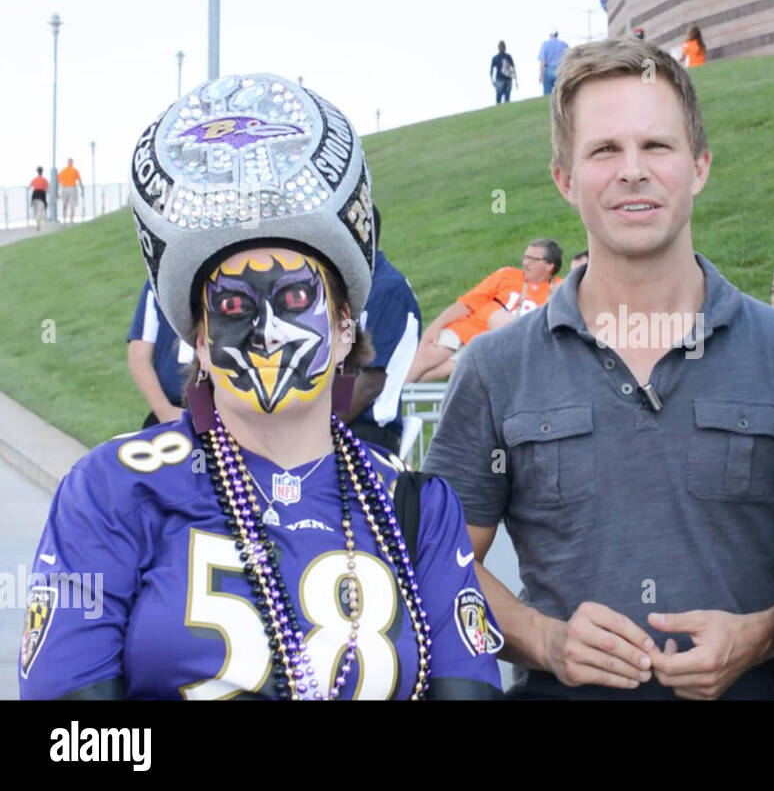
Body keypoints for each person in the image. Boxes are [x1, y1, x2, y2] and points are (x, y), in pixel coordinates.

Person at [20, 73, 501, 701]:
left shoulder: (417, 507)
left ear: (343, 324)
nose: (267, 330)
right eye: (235, 304)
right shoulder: (113, 490)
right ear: (198, 334)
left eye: (297, 297)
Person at [422, 38, 774, 700]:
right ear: (564, 179)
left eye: (656, 146)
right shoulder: (494, 367)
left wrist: (762, 633)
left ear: (700, 165)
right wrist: (545, 640)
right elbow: (444, 563)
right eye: (605, 150)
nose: (633, 171)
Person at [407, 239, 562, 382]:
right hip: (467, 328)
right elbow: (466, 303)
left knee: (442, 370)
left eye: (533, 259)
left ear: (550, 266)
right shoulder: (508, 275)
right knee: (426, 359)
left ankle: (391, 397)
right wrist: (436, 326)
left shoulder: (558, 289)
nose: (526, 263)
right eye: (525, 257)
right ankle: (389, 396)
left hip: (492, 347)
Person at [345, 205, 422, 457]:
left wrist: (311, 433)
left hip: (367, 437)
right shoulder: (354, 289)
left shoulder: (389, 290)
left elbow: (370, 383)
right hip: (344, 431)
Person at [126, 277, 194, 428]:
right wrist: (164, 411)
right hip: (173, 405)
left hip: (222, 406)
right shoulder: (159, 283)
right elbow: (138, 357)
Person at [538, 30, 568, 96]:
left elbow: (543, 60)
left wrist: (541, 75)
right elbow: (568, 59)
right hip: (560, 69)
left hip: (548, 69)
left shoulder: (545, 44)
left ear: (550, 35)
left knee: (547, 94)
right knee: (560, 93)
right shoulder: (564, 44)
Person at [58, 158, 84, 224]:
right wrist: (82, 189)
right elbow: (80, 180)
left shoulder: (63, 171)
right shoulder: (75, 170)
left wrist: (57, 190)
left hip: (64, 188)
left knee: (64, 204)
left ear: (67, 163)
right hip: (72, 188)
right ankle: (71, 219)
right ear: (72, 163)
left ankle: (64, 219)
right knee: (72, 204)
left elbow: (58, 180)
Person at [491, 41, 516, 105]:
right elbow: (491, 71)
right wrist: (493, 81)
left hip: (504, 79)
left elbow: (513, 68)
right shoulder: (498, 58)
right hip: (503, 79)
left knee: (503, 98)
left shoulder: (506, 57)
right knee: (502, 98)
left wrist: (493, 81)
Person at [27, 166, 48, 232]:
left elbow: (29, 187)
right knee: (40, 212)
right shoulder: (44, 180)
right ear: (42, 172)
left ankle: (37, 223)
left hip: (34, 196)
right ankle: (39, 224)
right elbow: (47, 189)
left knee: (35, 211)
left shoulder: (34, 179)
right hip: (41, 196)